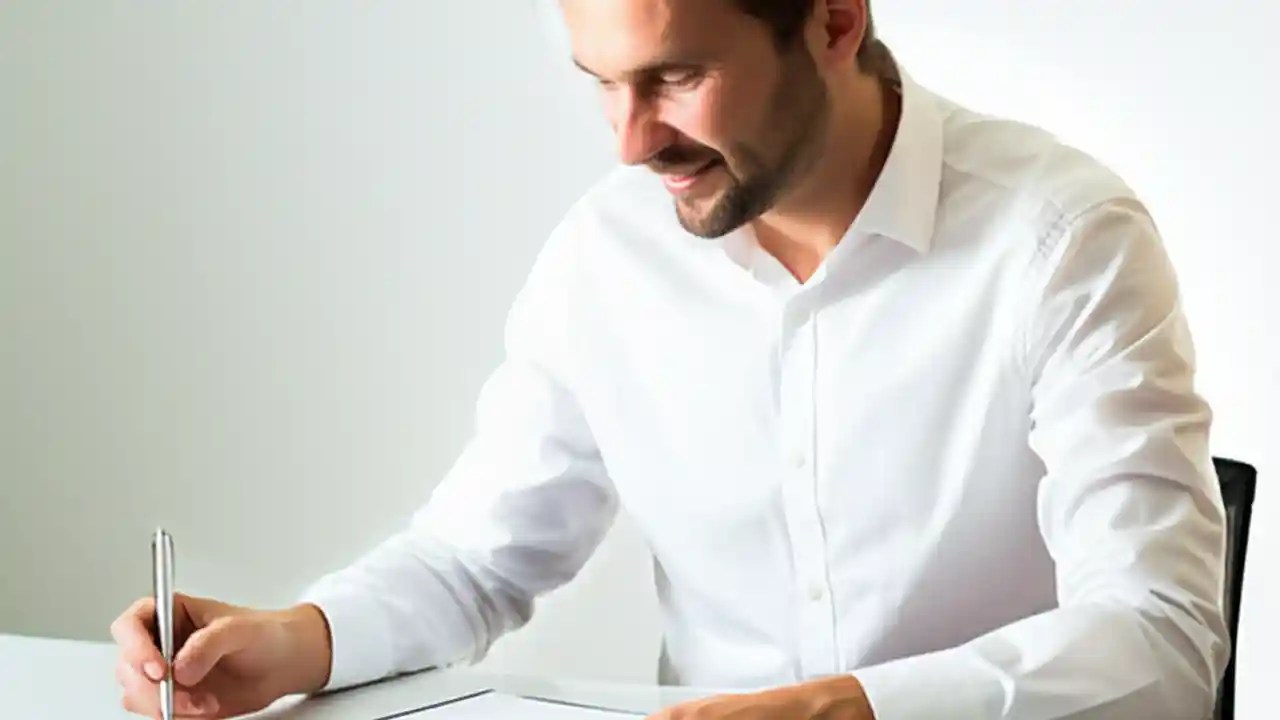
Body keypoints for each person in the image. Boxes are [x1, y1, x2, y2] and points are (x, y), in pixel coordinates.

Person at [111, 1, 1232, 718]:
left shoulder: (1060, 237)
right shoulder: (609, 253)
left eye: (676, 77)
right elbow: (474, 562)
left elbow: (1160, 635)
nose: (629, 142)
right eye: (602, 82)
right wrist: (294, 642)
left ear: (834, 19)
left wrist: (846, 709)